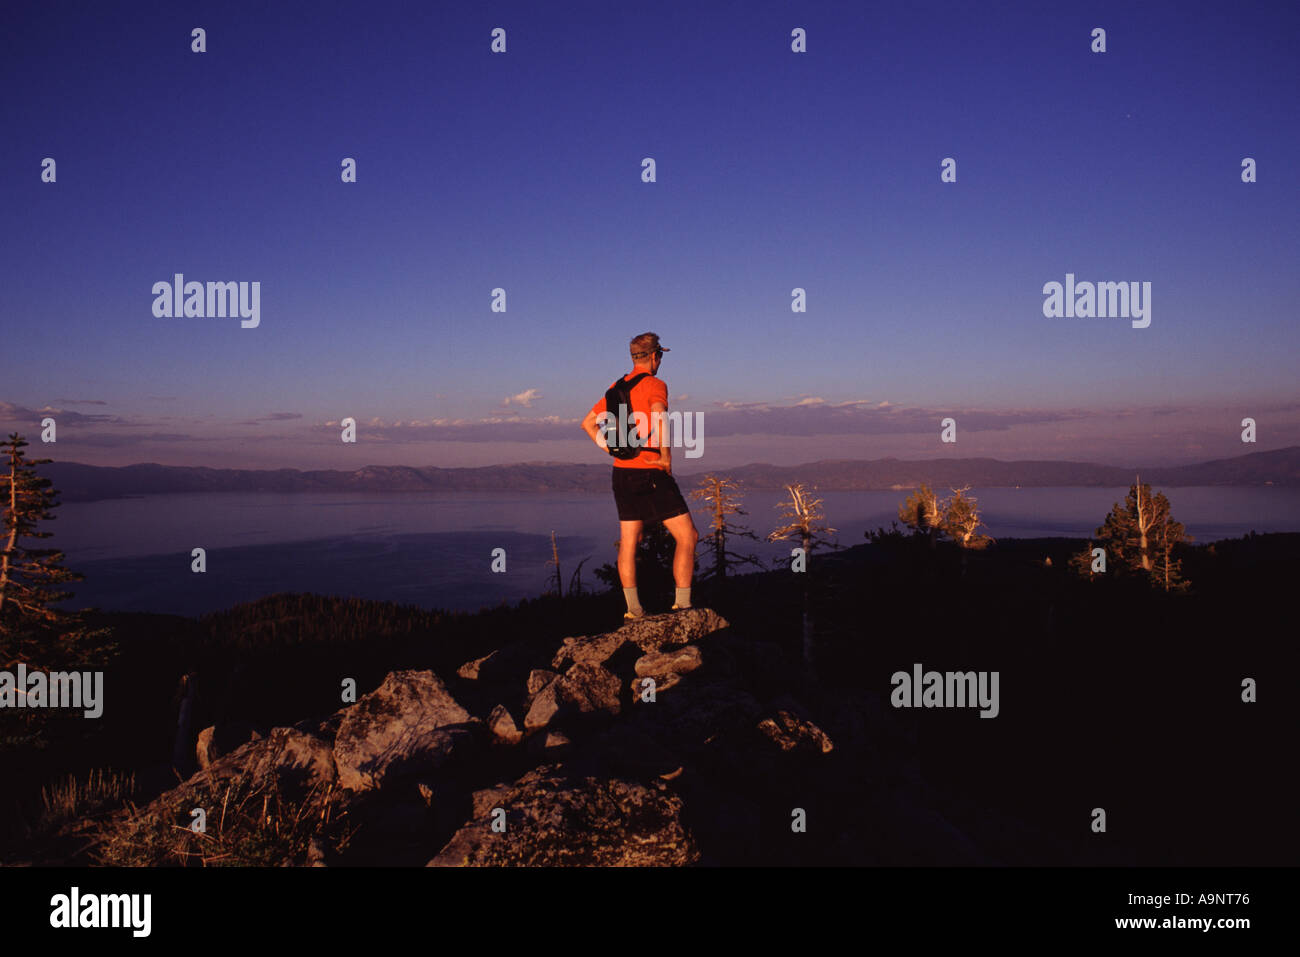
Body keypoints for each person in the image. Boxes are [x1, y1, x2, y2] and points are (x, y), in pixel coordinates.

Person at [580, 333, 698, 619]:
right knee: (688, 536)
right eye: (660, 356)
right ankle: (682, 605)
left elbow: (587, 423)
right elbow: (659, 415)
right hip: (651, 469)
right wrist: (666, 456)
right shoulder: (655, 384)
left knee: (630, 540)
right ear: (655, 356)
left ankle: (634, 610)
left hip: (621, 473)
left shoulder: (616, 386)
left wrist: (611, 448)